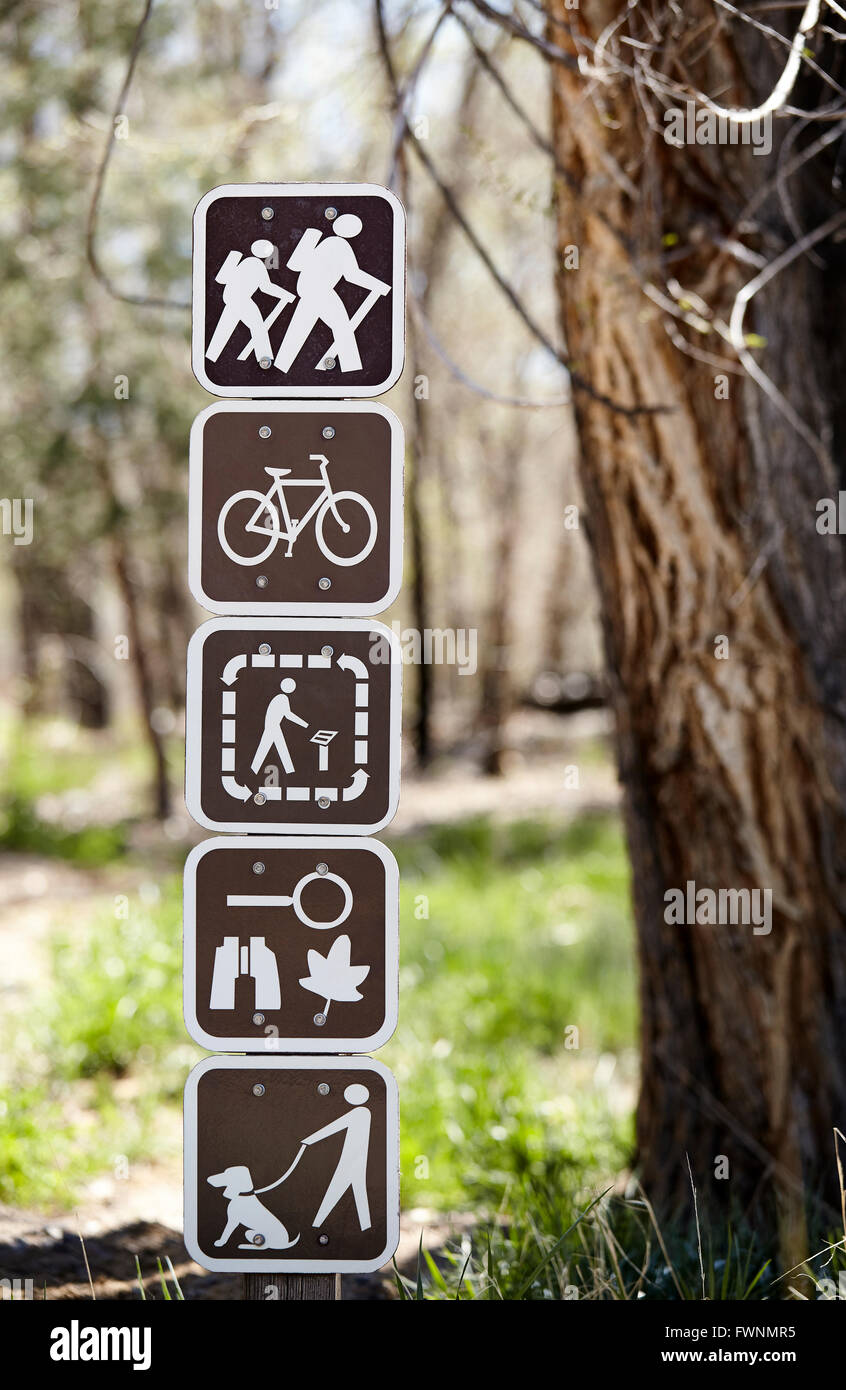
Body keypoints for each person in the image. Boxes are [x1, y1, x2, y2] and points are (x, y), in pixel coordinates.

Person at [274, 214, 390, 373]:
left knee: (297, 331)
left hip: (307, 291)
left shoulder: (325, 242)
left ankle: (279, 370)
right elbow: (352, 275)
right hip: (321, 292)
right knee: (342, 327)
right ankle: (352, 371)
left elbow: (297, 265)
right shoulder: (341, 245)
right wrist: (379, 286)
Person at [206, 239, 293, 364]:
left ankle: (211, 358)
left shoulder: (245, 262)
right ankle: (265, 359)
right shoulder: (256, 264)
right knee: (258, 327)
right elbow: (266, 287)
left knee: (224, 329)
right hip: (241, 300)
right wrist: (287, 296)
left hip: (231, 299)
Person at [300, 1083, 372, 1231]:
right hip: (354, 1160)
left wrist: (309, 1140)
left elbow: (334, 1127)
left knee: (337, 1191)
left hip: (351, 1160)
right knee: (357, 1192)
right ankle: (365, 1227)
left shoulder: (360, 1112)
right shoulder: (363, 1112)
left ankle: (315, 1226)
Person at [250, 677, 308, 776]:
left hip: (272, 726)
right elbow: (288, 715)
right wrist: (305, 724)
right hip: (273, 727)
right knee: (272, 749)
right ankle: (253, 771)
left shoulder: (278, 697)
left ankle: (254, 770)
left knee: (276, 748)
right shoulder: (282, 698)